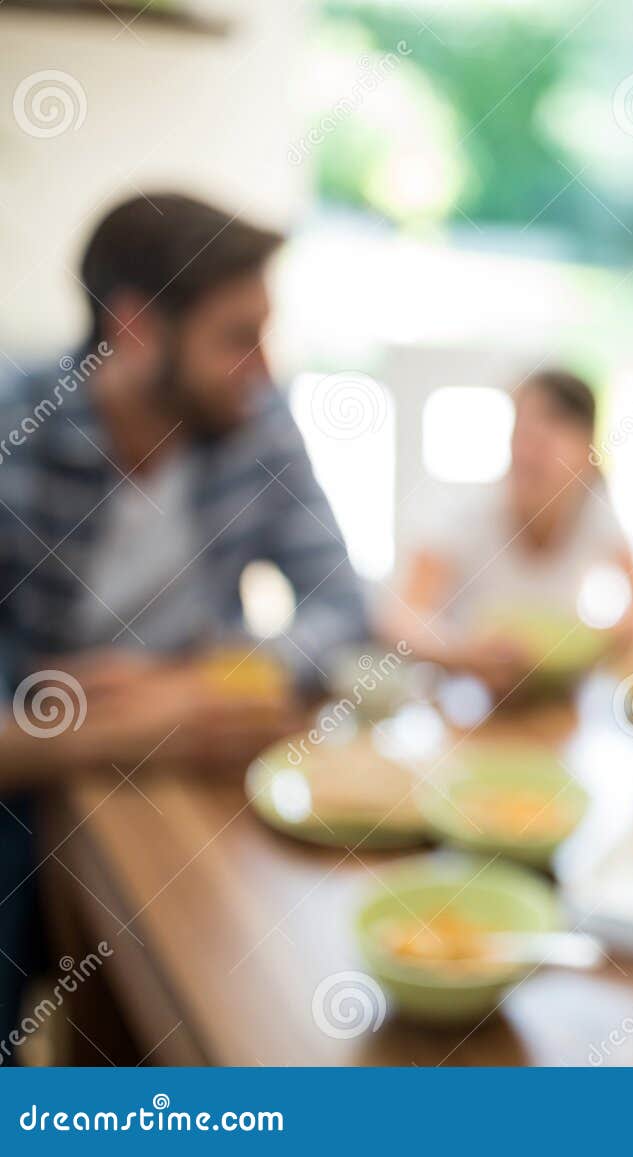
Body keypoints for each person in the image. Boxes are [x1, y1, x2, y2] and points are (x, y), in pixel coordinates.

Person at [0, 191, 363, 1049]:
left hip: (195, 760)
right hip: (32, 755)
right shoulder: (19, 422)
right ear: (134, 330)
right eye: (237, 338)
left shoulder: (257, 427)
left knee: (235, 995)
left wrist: (189, 685)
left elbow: (344, 607)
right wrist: (120, 727)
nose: (264, 368)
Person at [385, 368, 633, 698]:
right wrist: (461, 652)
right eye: (521, 433)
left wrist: (581, 647)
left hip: (553, 703)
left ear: (586, 453)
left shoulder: (595, 511)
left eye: (545, 438)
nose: (526, 452)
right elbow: (401, 616)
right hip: (466, 697)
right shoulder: (466, 516)